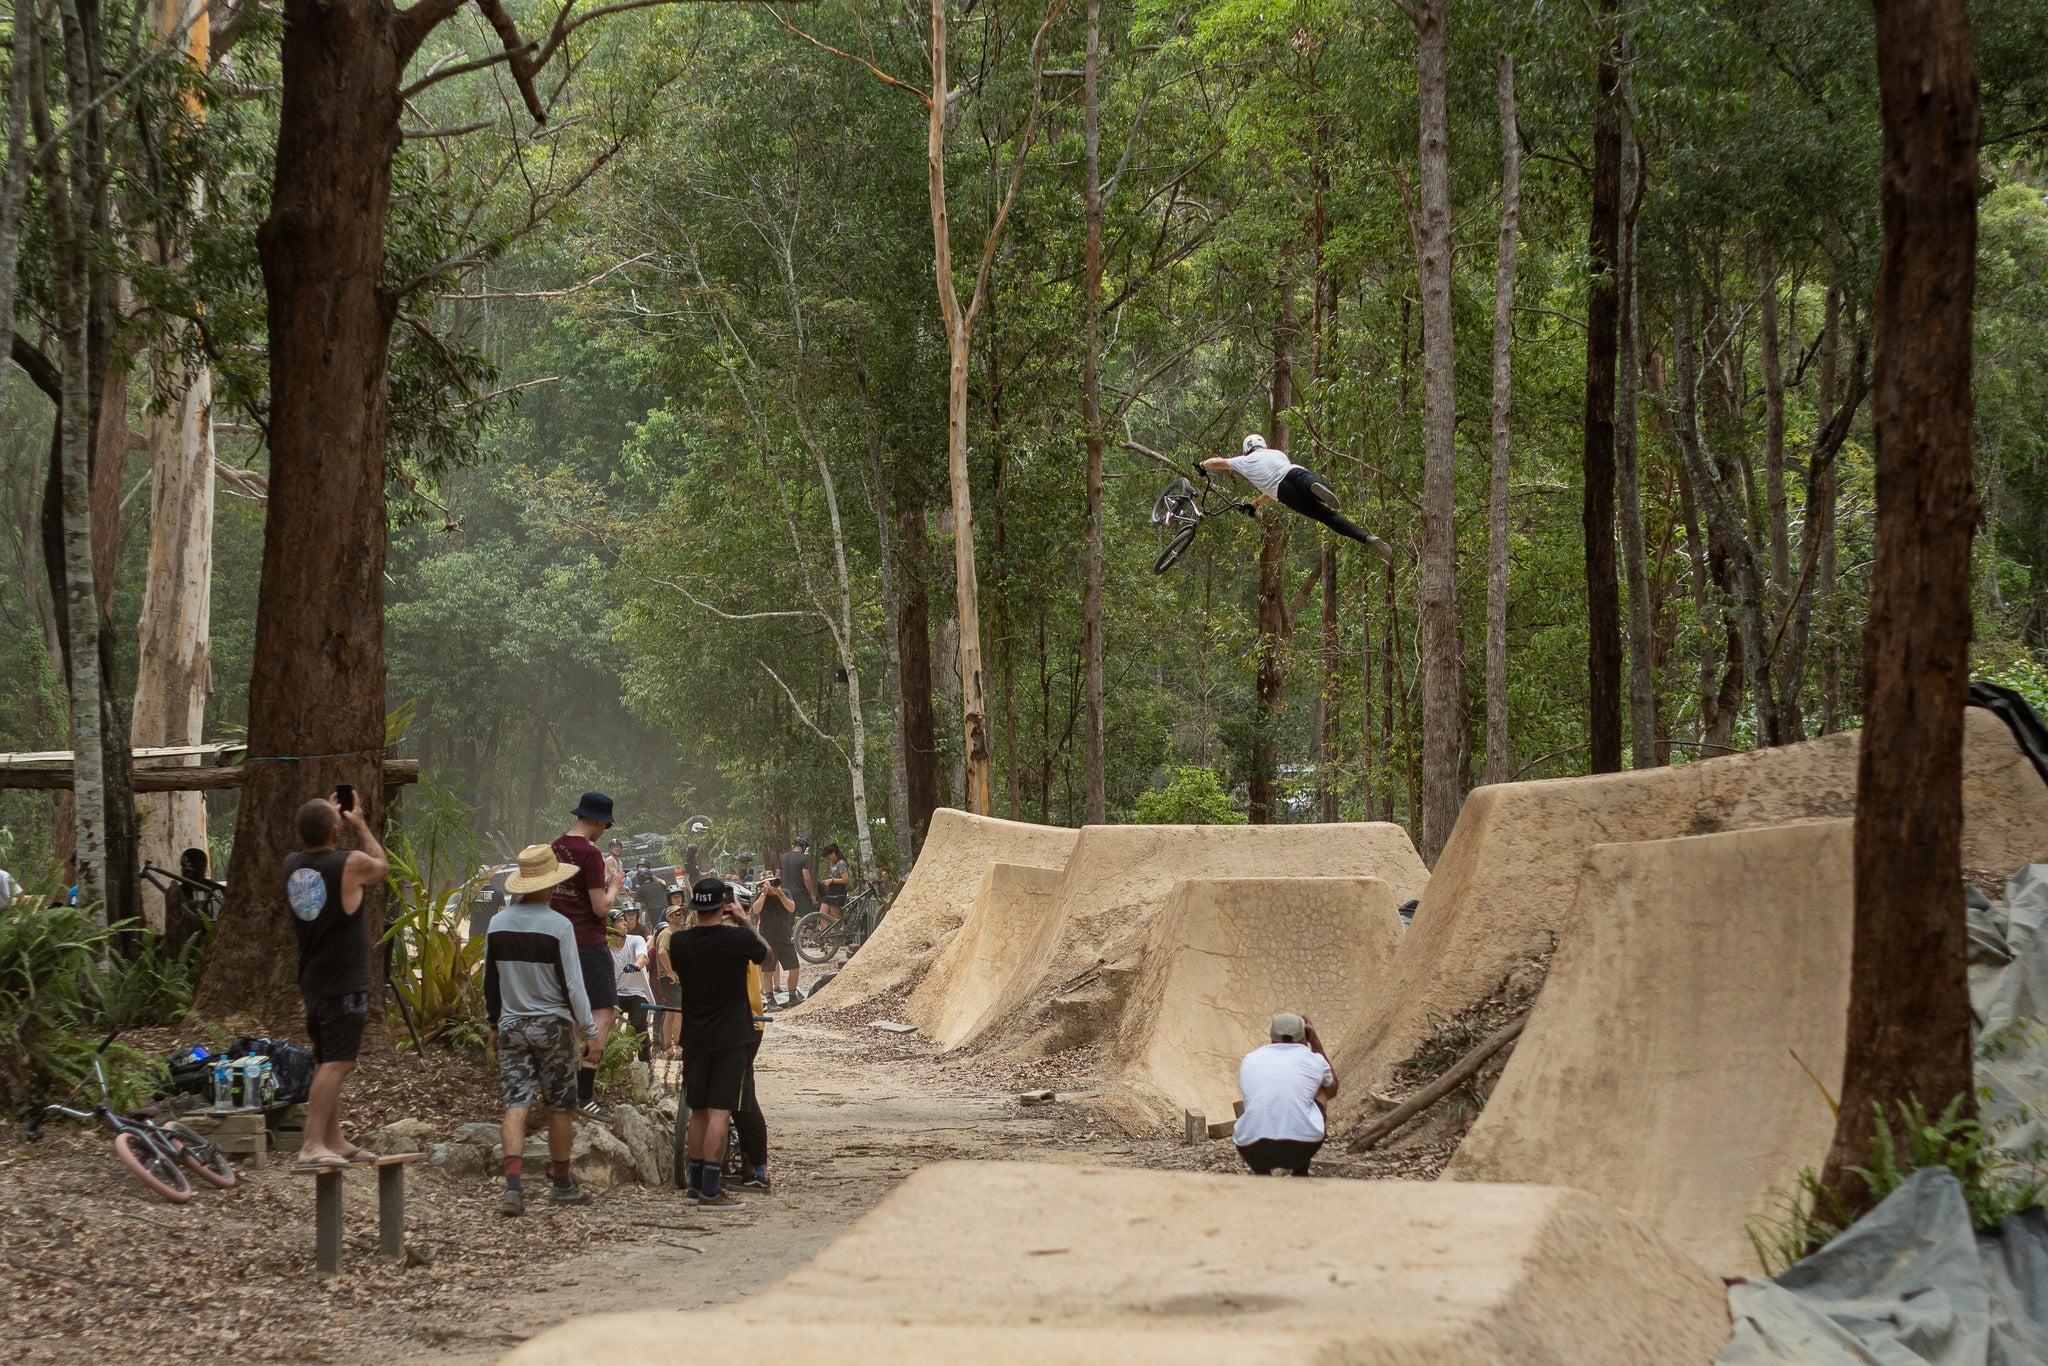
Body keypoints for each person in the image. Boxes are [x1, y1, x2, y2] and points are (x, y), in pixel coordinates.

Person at [483, 844, 597, 1215]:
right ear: (549, 885)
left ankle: (513, 1188)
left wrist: (493, 1023)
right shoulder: (558, 925)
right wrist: (591, 1029)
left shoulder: (497, 924)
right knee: (559, 1107)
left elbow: (490, 980)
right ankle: (561, 1183)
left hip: (512, 1025)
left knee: (515, 1104)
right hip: (553, 1027)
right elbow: (574, 986)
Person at [282, 793, 389, 1171]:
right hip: (343, 980)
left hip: (313, 978)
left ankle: (334, 1138)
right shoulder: (350, 863)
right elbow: (381, 865)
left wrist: (327, 815)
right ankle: (311, 1143)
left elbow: (318, 843)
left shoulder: (293, 864)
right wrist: (358, 824)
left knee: (327, 1060)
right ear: (335, 830)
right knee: (338, 1062)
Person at [669, 876, 770, 1209]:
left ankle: (695, 1185)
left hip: (695, 1038)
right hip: (731, 1039)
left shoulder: (679, 944)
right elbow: (766, 957)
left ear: (695, 907)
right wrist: (743, 920)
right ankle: (712, 1190)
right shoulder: (738, 939)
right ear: (723, 906)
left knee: (698, 1111)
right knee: (719, 1113)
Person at [551, 792, 628, 1118]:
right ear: (596, 820)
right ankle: (584, 1092)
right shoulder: (590, 854)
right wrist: (615, 886)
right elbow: (600, 906)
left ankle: (564, 1091)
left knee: (569, 1017)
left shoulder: (555, 847)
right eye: (604, 825)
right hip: (588, 942)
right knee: (603, 1015)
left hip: (557, 941)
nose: (603, 832)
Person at [1202, 435, 1392, 558]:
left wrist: (1202, 464)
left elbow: (1218, 462)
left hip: (1282, 491)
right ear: (1263, 445)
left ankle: (1367, 538)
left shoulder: (1244, 460)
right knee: (1312, 484)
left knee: (1327, 517)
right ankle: (1318, 489)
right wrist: (1255, 504)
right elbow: (1272, 485)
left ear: (1246, 449)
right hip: (1294, 472)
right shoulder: (1277, 453)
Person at [1232, 1012, 1338, 1177]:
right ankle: (1300, 1171)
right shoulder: (1315, 1059)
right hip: (1301, 1148)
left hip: (1252, 1149)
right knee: (1321, 1087)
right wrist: (1316, 1043)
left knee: (1260, 1094)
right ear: (1305, 1037)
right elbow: (1333, 1090)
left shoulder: (1250, 1059)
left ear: (1272, 1038)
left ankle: (1262, 1174)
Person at [611, 911, 655, 1061]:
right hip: (617, 993)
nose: (625, 923)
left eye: (625, 920)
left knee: (638, 1024)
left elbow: (643, 957)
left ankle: (645, 1061)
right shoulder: (605, 948)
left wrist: (636, 965)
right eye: (620, 921)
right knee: (607, 1025)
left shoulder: (636, 940)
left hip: (638, 993)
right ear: (610, 926)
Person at [754, 873, 801, 1007]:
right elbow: (755, 910)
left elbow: (791, 908)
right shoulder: (760, 896)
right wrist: (764, 894)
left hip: (784, 937)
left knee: (794, 968)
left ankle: (792, 996)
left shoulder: (784, 893)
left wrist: (779, 894)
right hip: (767, 939)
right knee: (767, 971)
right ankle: (770, 1000)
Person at [653, 888, 687, 1056]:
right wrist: (670, 973)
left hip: (679, 978)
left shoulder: (680, 933)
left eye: (682, 914)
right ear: (669, 918)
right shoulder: (667, 933)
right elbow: (661, 952)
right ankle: (675, 1046)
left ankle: (668, 1047)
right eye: (677, 915)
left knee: (672, 1012)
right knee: (676, 1012)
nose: (681, 917)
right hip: (669, 979)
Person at [819, 842, 850, 921]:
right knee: (822, 915)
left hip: (838, 892)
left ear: (833, 853)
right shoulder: (833, 864)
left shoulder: (841, 863)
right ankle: (826, 932)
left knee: (834, 918)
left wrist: (832, 880)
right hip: (830, 892)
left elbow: (845, 879)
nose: (827, 858)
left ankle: (834, 932)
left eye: (828, 856)